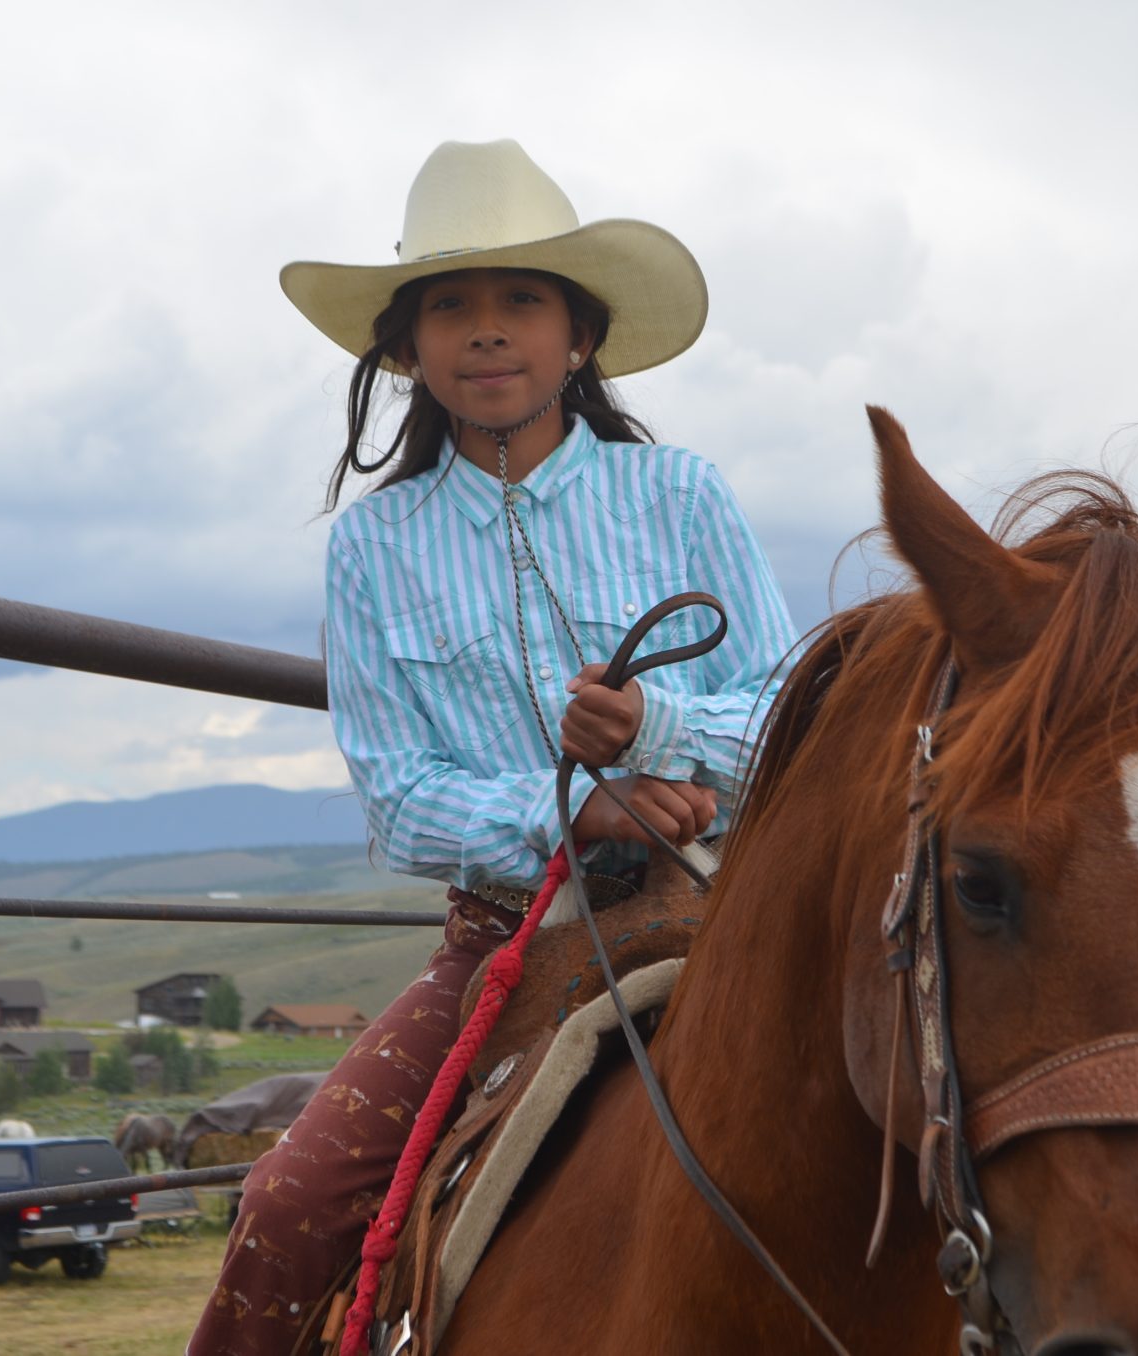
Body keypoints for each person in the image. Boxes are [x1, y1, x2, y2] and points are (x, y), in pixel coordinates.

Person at [188, 139, 797, 1355]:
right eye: (450, 306)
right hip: (509, 944)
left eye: (521, 298)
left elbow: (787, 713)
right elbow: (399, 801)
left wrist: (656, 732)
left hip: (728, 910)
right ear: (408, 349)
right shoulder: (373, 548)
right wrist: (577, 811)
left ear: (579, 336)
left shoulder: (680, 494)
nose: (486, 331)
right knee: (288, 1202)